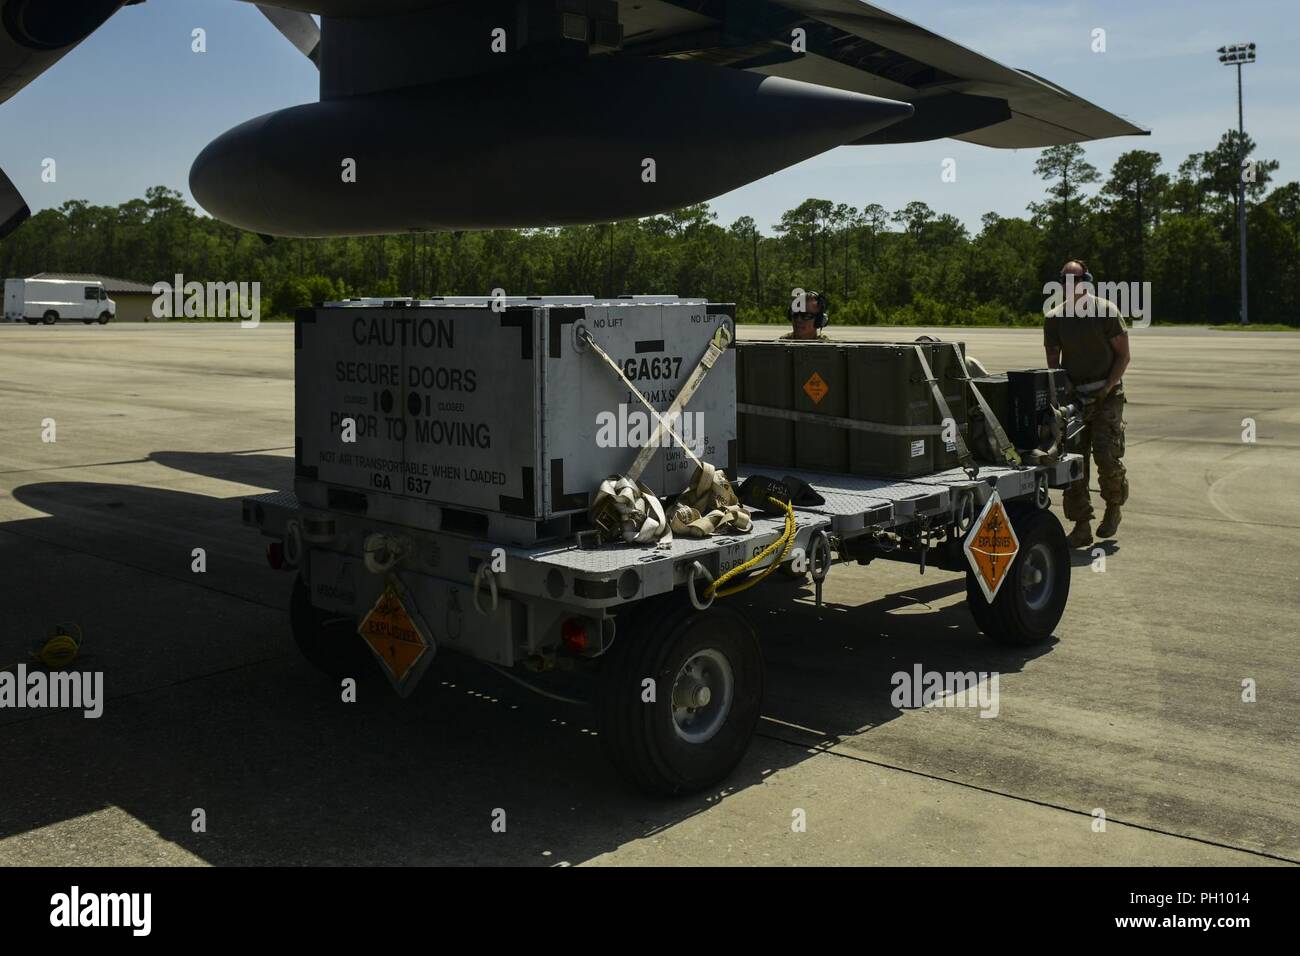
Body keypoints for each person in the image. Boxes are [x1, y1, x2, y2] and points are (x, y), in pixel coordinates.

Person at [1044, 260, 1131, 548]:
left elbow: (1123, 356)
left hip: (1107, 396)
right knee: (1074, 464)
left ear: (1087, 279)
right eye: (1066, 279)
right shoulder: (1055, 317)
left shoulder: (1106, 312)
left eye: (1076, 278)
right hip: (1076, 401)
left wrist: (1106, 388)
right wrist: (1064, 391)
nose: (1071, 284)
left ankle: (1113, 508)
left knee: (1107, 456)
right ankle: (1082, 525)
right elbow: (1053, 362)